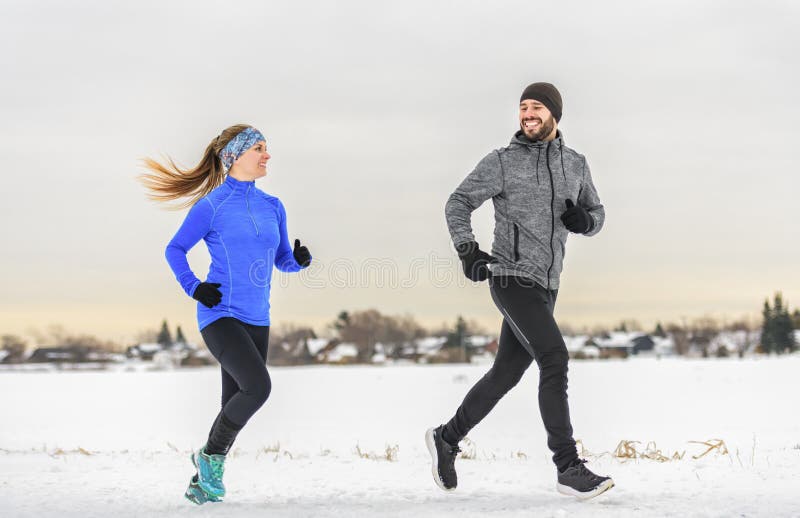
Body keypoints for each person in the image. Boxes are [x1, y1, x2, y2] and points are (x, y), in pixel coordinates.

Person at [426, 83, 613, 500]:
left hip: (548, 283)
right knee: (554, 358)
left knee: (505, 374)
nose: (528, 113)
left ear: (554, 116)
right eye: (523, 107)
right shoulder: (502, 162)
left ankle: (446, 437)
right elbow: (458, 202)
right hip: (510, 277)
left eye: (537, 107)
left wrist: (585, 221)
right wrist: (466, 249)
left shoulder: (576, 165)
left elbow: (598, 214)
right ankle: (567, 466)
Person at [140, 124, 312, 505]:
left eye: (267, 148)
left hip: (257, 317)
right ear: (235, 156)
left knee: (233, 403)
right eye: (259, 149)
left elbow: (281, 259)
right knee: (259, 388)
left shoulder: (273, 206)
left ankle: (202, 486)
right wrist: (194, 286)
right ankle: (208, 458)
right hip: (219, 313)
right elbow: (175, 249)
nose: (267, 155)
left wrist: (297, 262)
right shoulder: (212, 206)